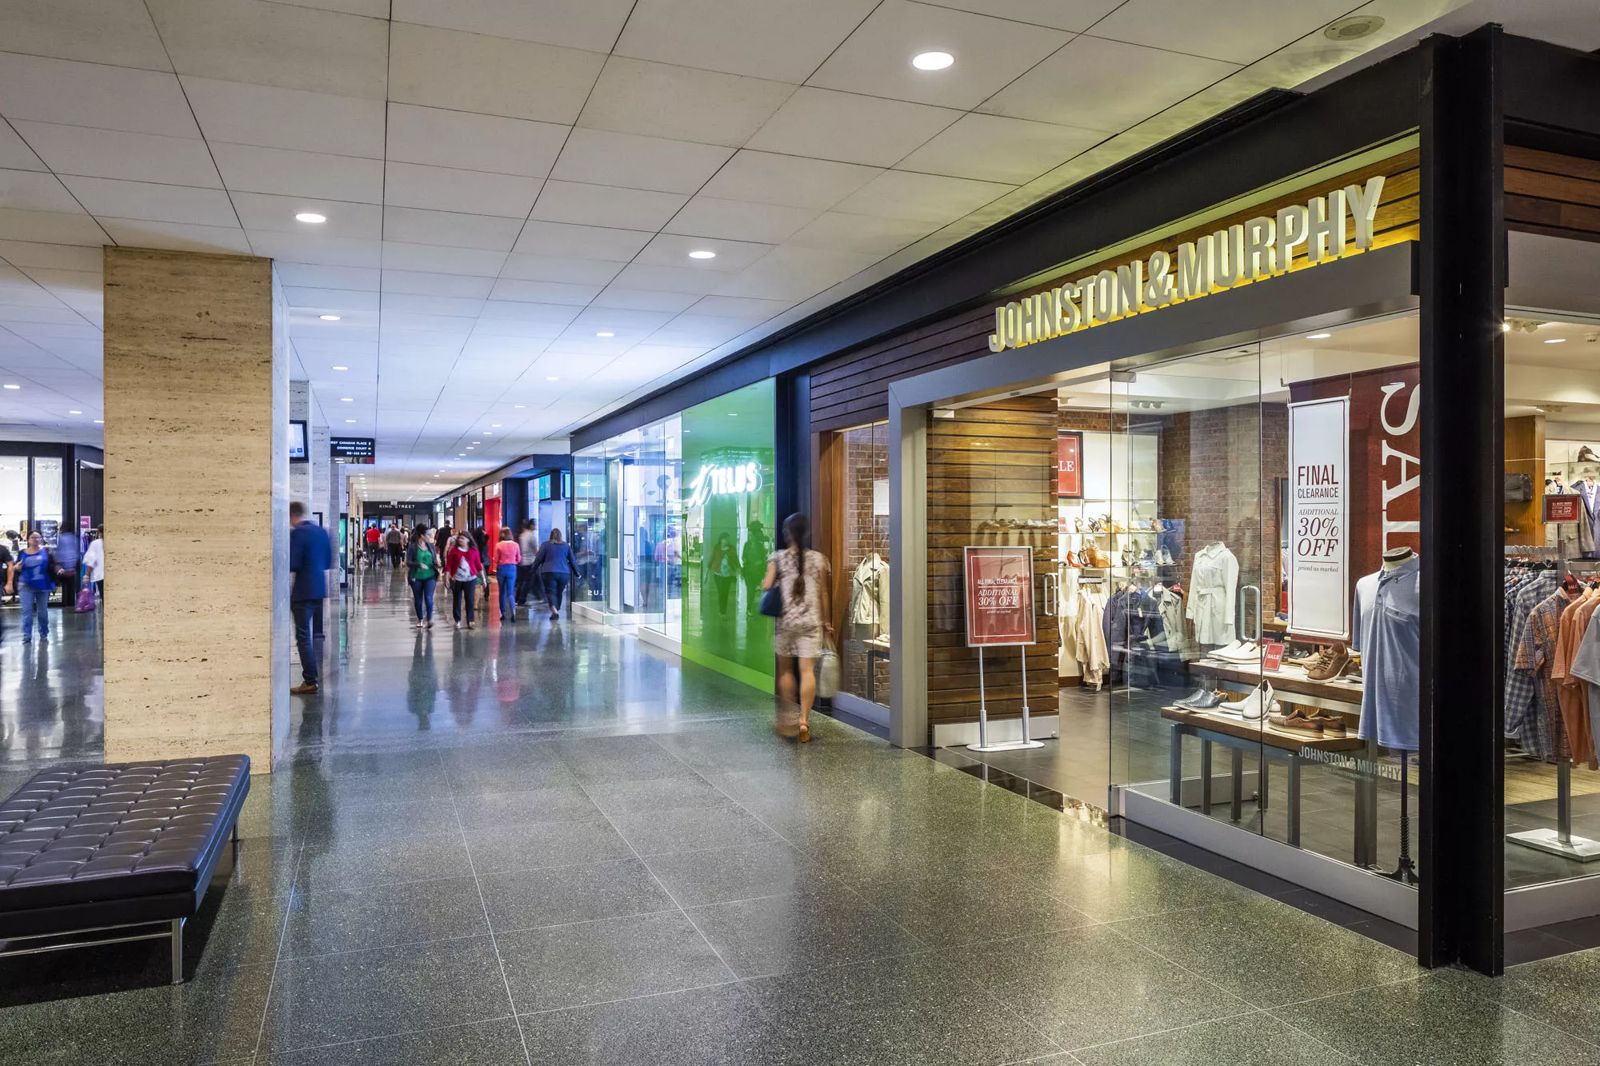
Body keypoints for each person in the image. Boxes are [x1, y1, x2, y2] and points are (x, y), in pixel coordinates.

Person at [761, 513, 832, 743]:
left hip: (787, 621)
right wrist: (827, 621)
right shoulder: (819, 559)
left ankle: (787, 719)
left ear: (787, 533)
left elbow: (766, 585)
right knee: (807, 671)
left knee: (785, 671)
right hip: (811, 621)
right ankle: (804, 720)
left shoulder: (778, 558)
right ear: (806, 532)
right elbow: (823, 594)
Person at [289, 502, 333, 695]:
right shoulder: (322, 532)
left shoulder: (298, 533)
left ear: (292, 516)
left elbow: (293, 562)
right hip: (319, 588)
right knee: (314, 635)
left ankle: (310, 680)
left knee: (303, 636)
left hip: (303, 590)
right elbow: (328, 560)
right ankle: (312, 677)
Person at [12, 530, 56, 644]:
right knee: (27, 612)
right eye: (32, 537)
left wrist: (58, 570)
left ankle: (44, 633)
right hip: (25, 585)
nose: (35, 540)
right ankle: (27, 635)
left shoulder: (46, 551)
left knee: (42, 612)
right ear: (28, 539)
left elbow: (52, 565)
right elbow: (16, 567)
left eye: (38, 537)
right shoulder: (22, 552)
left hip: (43, 585)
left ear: (41, 539)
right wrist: (16, 567)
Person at [530, 528, 577, 620]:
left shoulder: (545, 545)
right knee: (559, 592)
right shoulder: (566, 546)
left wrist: (533, 569)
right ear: (560, 536)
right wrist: (577, 573)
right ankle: (556, 608)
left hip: (548, 572)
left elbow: (539, 559)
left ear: (550, 535)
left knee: (550, 591)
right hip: (564, 573)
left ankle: (554, 610)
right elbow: (572, 561)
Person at [444, 531, 483, 629]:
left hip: (470, 579)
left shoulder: (473, 550)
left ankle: (471, 621)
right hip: (457, 579)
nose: (460, 540)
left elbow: (478, 565)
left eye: (463, 538)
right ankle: (457, 620)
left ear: (468, 540)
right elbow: (448, 565)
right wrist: (446, 577)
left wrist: (483, 578)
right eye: (459, 538)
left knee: (469, 600)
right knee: (457, 600)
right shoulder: (454, 550)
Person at [407, 527, 438, 629]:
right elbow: (408, 562)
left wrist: (437, 563)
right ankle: (420, 619)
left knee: (429, 598)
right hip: (416, 577)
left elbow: (434, 559)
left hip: (430, 575)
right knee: (418, 599)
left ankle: (429, 619)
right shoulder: (413, 547)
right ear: (422, 536)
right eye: (428, 535)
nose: (431, 537)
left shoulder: (431, 546)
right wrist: (418, 564)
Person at [492, 526, 521, 623]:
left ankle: (503, 613)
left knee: (502, 592)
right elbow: (519, 559)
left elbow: (495, 559)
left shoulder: (498, 545)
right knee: (510, 592)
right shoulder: (516, 545)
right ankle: (513, 612)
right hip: (512, 568)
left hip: (501, 568)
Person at [742, 519, 770, 614]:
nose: (750, 537)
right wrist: (746, 560)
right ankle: (749, 608)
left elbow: (764, 558)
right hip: (748, 571)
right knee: (750, 589)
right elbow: (743, 556)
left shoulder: (760, 545)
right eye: (749, 536)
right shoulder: (747, 545)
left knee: (752, 590)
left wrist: (760, 562)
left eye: (751, 535)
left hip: (757, 571)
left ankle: (751, 606)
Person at [707, 532, 738, 614]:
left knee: (726, 593)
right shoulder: (716, 548)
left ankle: (723, 610)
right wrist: (706, 575)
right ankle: (722, 611)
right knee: (721, 592)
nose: (727, 541)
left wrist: (739, 571)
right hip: (718, 575)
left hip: (728, 575)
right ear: (721, 540)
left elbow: (736, 560)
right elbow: (710, 560)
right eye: (725, 539)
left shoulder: (732, 549)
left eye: (728, 539)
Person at [516, 520, 540, 609]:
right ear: (531, 526)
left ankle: (518, 598)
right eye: (535, 525)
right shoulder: (531, 536)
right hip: (530, 561)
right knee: (528, 582)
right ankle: (522, 600)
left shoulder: (522, 535)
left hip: (522, 561)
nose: (536, 527)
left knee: (523, 581)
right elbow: (535, 549)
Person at [81, 529, 104, 604]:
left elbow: (91, 561)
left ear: (99, 533)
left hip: (100, 576)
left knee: (104, 597)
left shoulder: (95, 543)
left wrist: (87, 575)